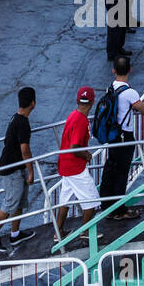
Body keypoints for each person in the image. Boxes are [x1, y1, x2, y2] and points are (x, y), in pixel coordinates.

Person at [98, 56, 144, 218]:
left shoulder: (111, 88)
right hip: (125, 136)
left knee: (110, 169)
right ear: (130, 70)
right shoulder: (130, 92)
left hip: (113, 135)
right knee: (122, 173)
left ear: (114, 70)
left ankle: (106, 206)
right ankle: (120, 210)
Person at [0, 88, 37, 252]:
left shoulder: (16, 118)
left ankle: (15, 234)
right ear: (33, 103)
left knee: (19, 201)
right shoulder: (23, 123)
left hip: (14, 167)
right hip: (12, 170)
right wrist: (31, 171)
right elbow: (25, 150)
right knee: (10, 202)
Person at [55, 87, 100, 241]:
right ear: (92, 102)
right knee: (92, 199)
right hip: (76, 167)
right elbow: (74, 147)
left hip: (66, 165)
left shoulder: (72, 115)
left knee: (65, 199)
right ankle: (86, 232)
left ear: (77, 101)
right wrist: (86, 155)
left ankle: (58, 231)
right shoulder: (81, 120)